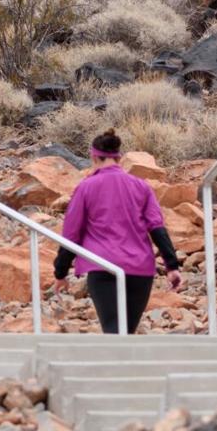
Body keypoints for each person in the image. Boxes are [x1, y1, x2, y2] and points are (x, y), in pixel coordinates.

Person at [51, 130, 183, 334]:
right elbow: (157, 227)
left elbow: (71, 234)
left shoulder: (86, 187)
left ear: (94, 157)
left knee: (113, 331)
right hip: (139, 269)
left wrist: (60, 272)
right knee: (126, 333)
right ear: (119, 158)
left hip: (103, 267)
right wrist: (172, 266)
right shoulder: (141, 186)